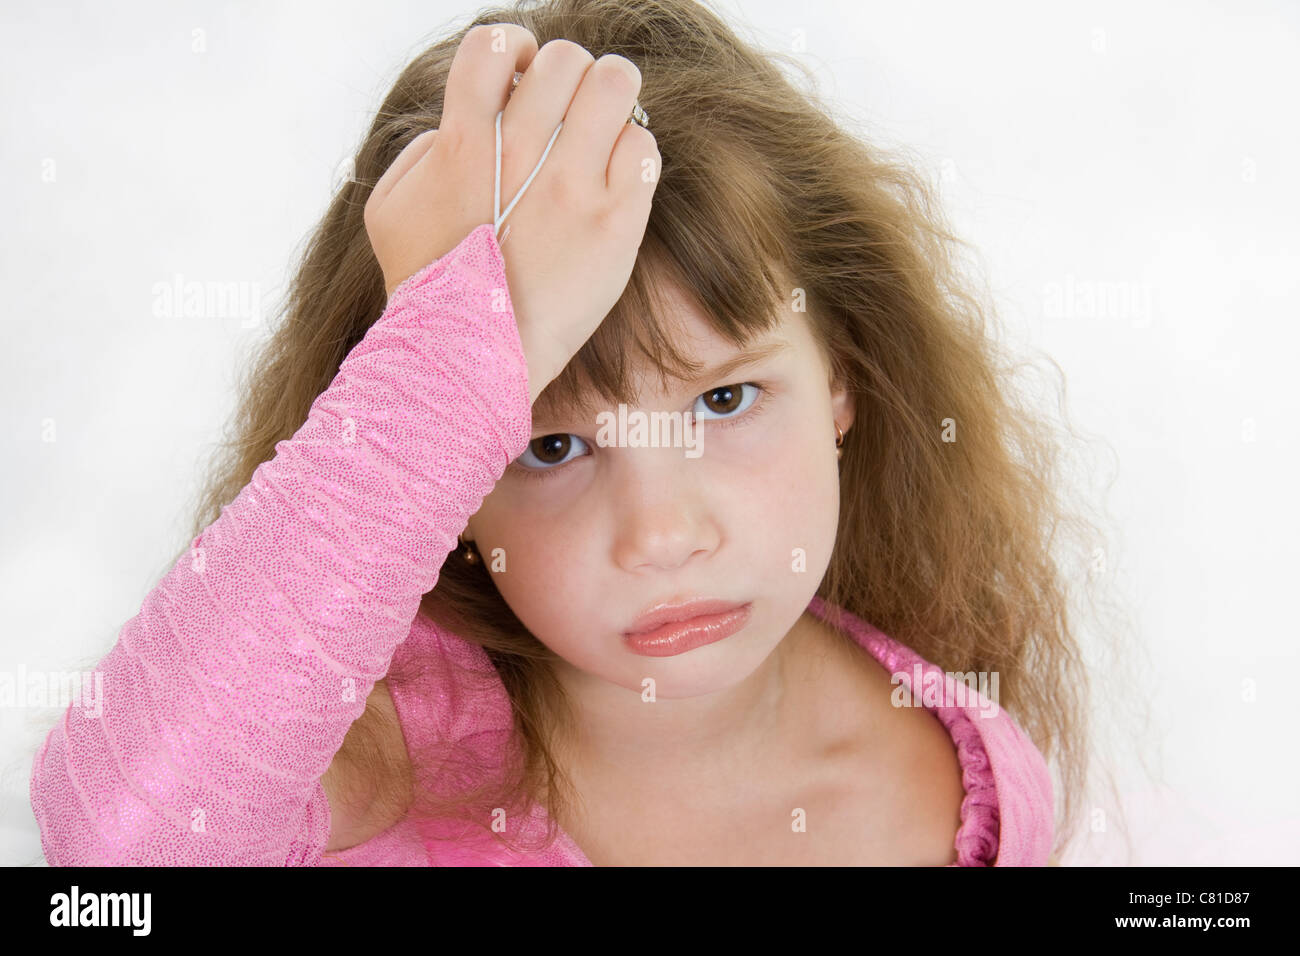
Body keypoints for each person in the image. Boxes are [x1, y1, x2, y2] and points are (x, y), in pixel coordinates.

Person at [30, 0, 1094, 866]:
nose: (662, 535)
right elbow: (118, 854)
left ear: (843, 379)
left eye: (724, 401)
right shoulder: (376, 749)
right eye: (550, 445)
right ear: (450, 479)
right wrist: (444, 354)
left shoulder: (964, 788)